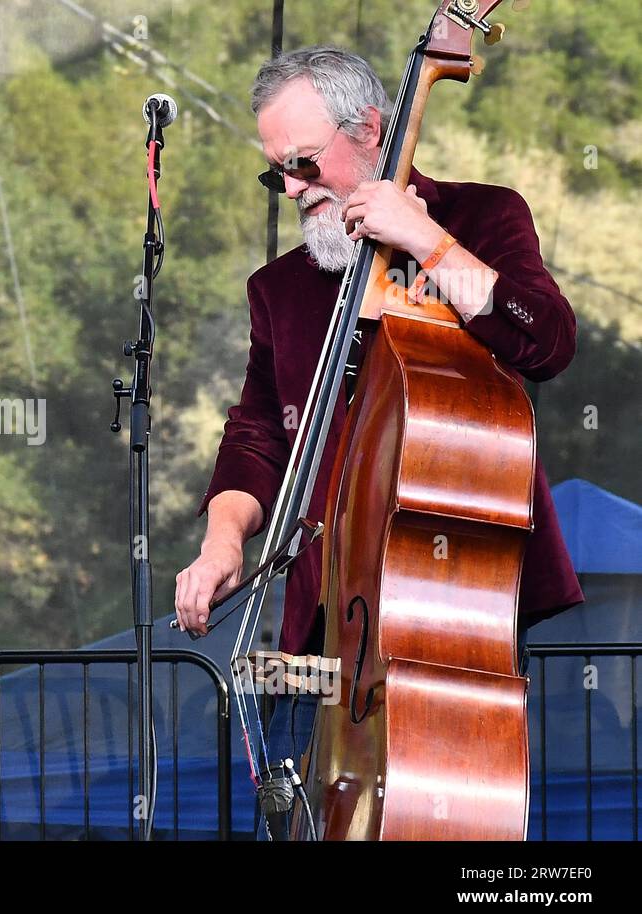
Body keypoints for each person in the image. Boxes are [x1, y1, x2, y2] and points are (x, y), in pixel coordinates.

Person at [171, 47, 585, 839]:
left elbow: (548, 343)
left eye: (302, 162)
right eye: (277, 173)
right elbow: (257, 432)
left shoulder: (484, 218)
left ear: (370, 130)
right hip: (333, 615)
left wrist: (427, 241)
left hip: (455, 600)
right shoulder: (280, 289)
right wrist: (225, 540)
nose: (292, 189)